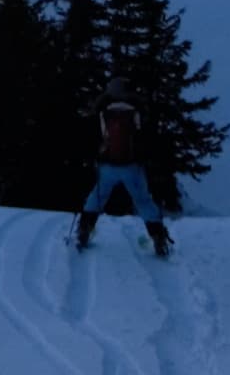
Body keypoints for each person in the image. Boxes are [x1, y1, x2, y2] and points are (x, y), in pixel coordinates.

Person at [75, 77, 174, 255]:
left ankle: (84, 230)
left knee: (97, 197)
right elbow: (146, 136)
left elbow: (93, 135)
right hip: (132, 166)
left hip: (107, 164)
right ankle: (158, 237)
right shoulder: (136, 109)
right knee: (143, 200)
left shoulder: (103, 110)